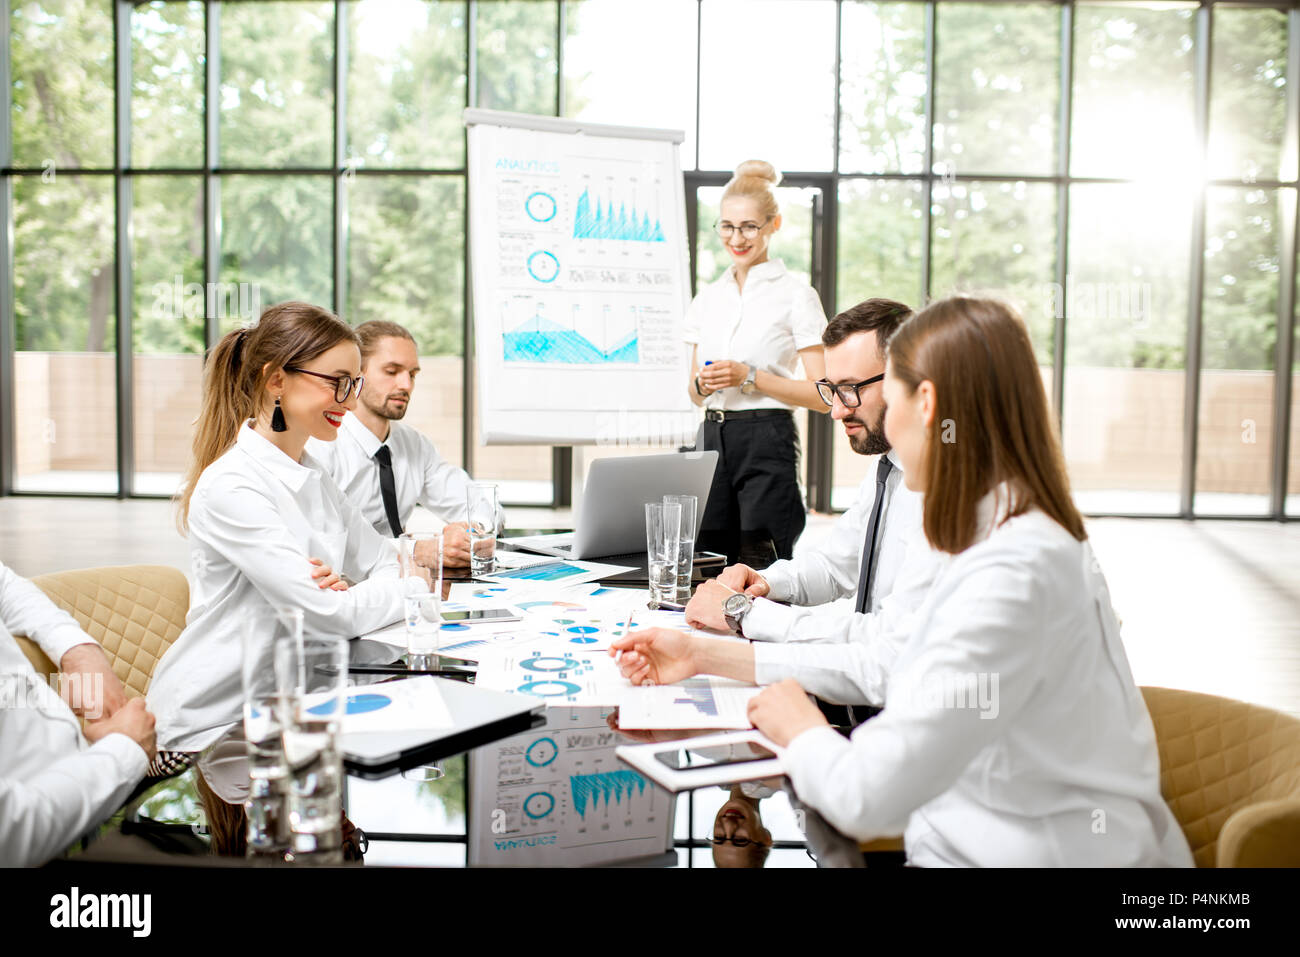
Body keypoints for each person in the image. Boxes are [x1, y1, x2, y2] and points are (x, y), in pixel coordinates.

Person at [613, 297, 1194, 867]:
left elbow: (868, 795)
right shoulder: (999, 523)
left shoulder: (1008, 571)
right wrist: (704, 658)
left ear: (926, 402)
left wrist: (799, 728)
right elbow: (890, 650)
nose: (847, 413)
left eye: (883, 396)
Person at [148, 302, 429, 778]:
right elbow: (327, 614)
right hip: (211, 731)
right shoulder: (233, 485)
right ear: (276, 380)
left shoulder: (313, 474)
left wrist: (345, 586)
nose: (349, 397)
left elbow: (383, 560)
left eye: (355, 382)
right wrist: (409, 587)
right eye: (336, 381)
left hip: (289, 710)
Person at [684, 299, 939, 658]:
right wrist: (766, 581)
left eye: (851, 389)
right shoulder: (887, 465)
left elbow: (891, 641)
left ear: (911, 381)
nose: (835, 410)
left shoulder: (946, 488)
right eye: (832, 390)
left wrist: (744, 613)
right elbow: (838, 563)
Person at [685, 159, 829, 567]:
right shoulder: (707, 299)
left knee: (760, 565)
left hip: (766, 438)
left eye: (749, 226)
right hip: (710, 439)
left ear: (773, 225)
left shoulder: (797, 296)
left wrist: (749, 376)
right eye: (727, 226)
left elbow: (823, 396)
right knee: (707, 565)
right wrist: (705, 383)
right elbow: (693, 393)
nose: (737, 237)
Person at [306, 320, 504, 566]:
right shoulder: (321, 445)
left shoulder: (414, 444)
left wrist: (474, 531)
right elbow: (322, 544)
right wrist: (417, 550)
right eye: (392, 371)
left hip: (402, 584)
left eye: (412, 374)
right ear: (357, 374)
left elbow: (479, 503)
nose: (406, 385)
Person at [1, 560, 157, 867]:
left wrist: (78, 651)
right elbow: (11, 832)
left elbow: (4, 585)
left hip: (92, 788)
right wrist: (125, 750)